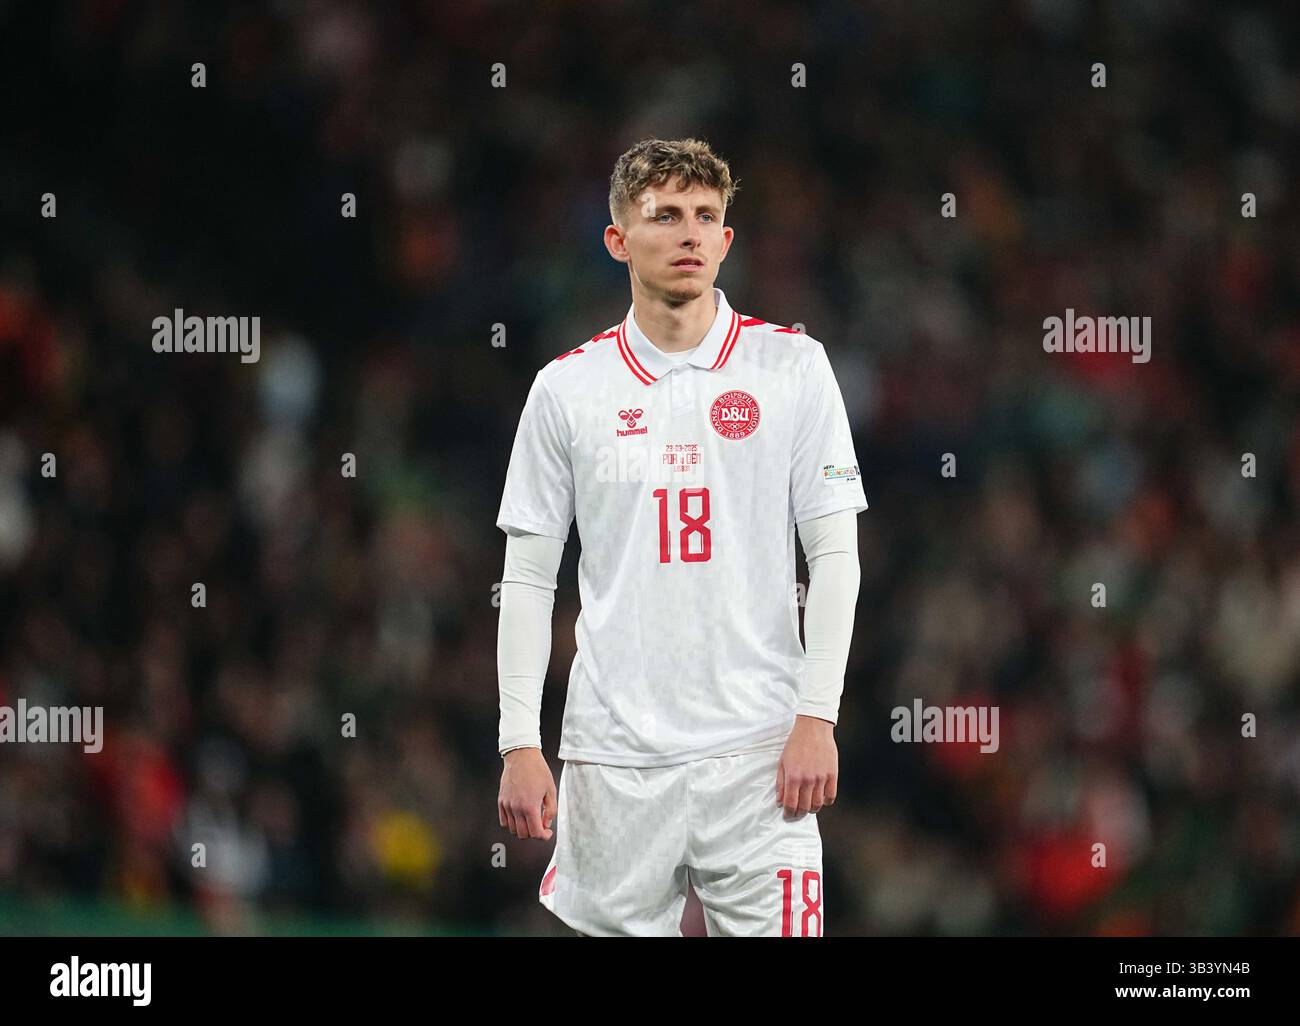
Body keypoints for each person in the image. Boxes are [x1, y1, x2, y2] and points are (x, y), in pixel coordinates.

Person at [495, 137, 866, 937]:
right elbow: (527, 577)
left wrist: (818, 716)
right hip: (615, 756)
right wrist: (519, 740)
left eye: (706, 216)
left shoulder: (792, 368)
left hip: (763, 754)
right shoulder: (567, 390)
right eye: (665, 215)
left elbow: (834, 555)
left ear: (728, 240)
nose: (690, 233)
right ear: (618, 239)